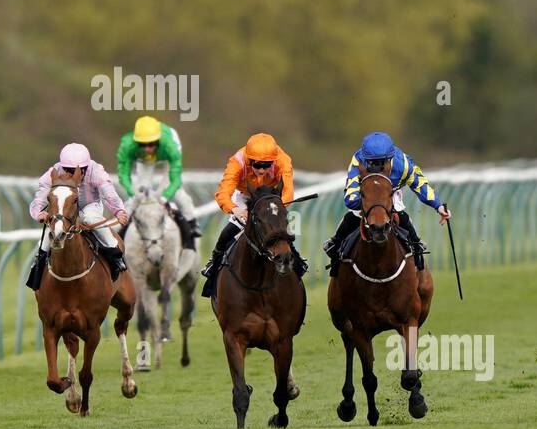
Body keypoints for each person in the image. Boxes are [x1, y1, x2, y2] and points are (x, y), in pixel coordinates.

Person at [322, 130, 450, 275]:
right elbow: (350, 198)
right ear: (365, 158)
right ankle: (336, 245)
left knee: (402, 216)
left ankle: (416, 247)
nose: (375, 167)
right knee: (352, 215)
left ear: (390, 159)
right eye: (371, 163)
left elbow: (420, 185)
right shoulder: (358, 160)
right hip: (367, 196)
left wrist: (438, 206)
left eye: (380, 163)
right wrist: (371, 204)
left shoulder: (403, 164)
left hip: (390, 194)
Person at [199, 132, 307, 298]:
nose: (262, 170)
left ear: (274, 160)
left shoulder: (283, 160)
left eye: (267, 165)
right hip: (245, 196)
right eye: (257, 165)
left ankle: (296, 262)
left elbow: (288, 192)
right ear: (249, 160)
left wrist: (275, 210)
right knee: (228, 232)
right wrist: (234, 209)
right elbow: (223, 193)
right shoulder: (237, 162)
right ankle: (213, 264)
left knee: (280, 231)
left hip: (271, 196)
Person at [27, 142, 130, 289]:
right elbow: (40, 197)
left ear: (87, 166)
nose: (75, 173)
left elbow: (109, 195)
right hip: (64, 210)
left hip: (89, 206)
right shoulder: (53, 173)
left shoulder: (96, 171)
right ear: (62, 166)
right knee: (47, 237)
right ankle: (36, 270)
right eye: (69, 169)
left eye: (81, 169)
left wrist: (119, 211)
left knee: (90, 218)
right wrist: (39, 214)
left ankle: (116, 258)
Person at [116, 115, 201, 249]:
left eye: (151, 144)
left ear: (158, 140)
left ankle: (191, 224)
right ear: (135, 141)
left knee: (177, 193)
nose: (148, 148)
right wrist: (132, 192)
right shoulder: (127, 145)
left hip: (166, 156)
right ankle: (120, 230)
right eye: (142, 144)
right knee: (139, 194)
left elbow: (175, 178)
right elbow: (124, 174)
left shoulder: (169, 145)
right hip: (143, 161)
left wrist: (164, 196)